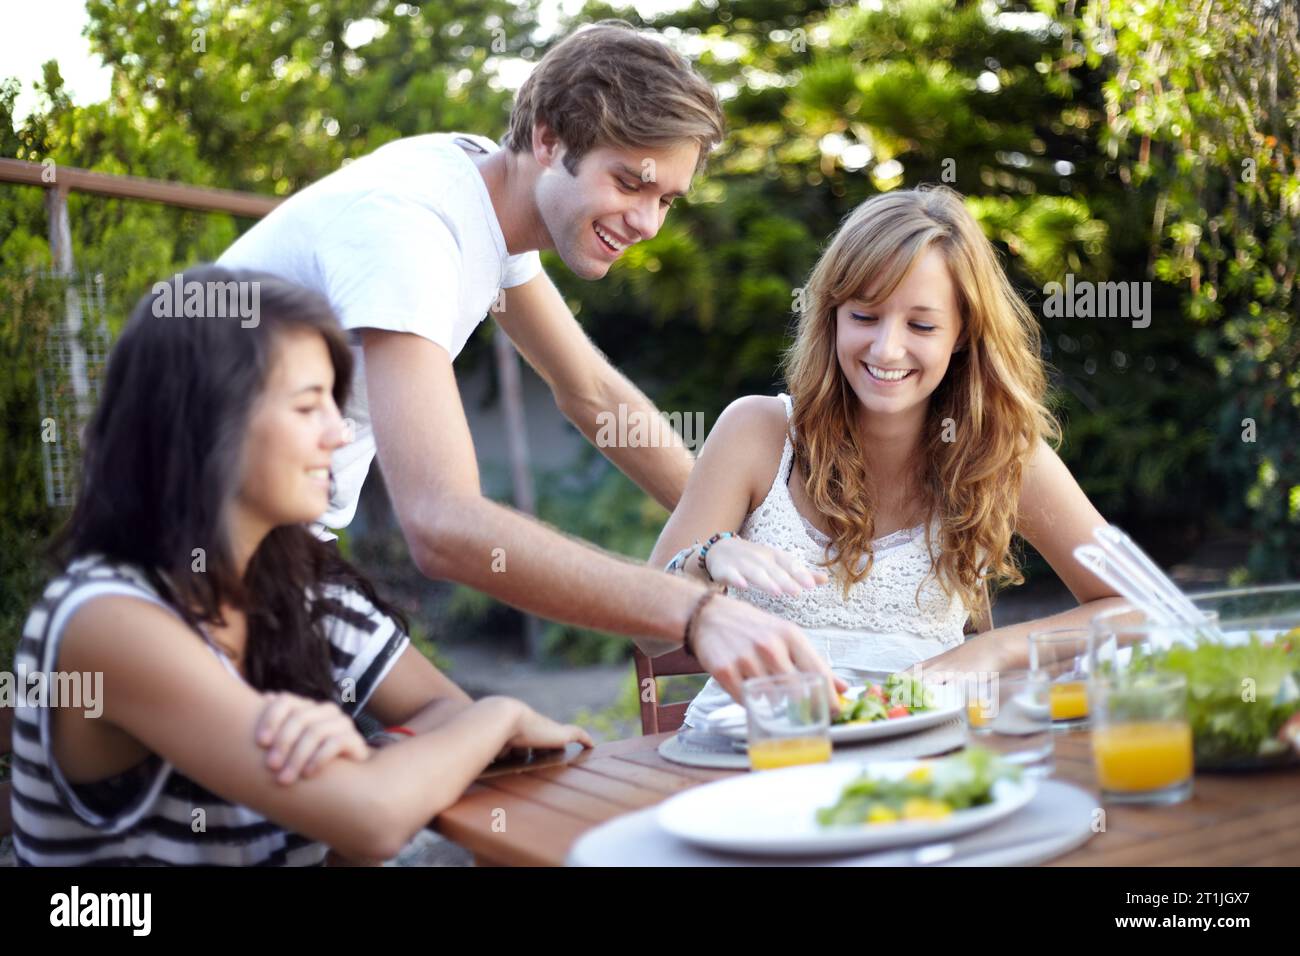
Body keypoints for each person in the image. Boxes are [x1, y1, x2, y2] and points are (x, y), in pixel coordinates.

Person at [216, 20, 839, 705]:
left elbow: (594, 395)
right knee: (466, 744)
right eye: (631, 183)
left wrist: (764, 535)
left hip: (284, 551)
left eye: (665, 199)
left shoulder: (481, 189)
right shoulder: (411, 231)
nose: (648, 223)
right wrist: (691, 610)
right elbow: (441, 523)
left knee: (475, 738)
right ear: (549, 138)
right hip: (201, 559)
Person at [9, 267, 592, 866]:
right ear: (207, 423)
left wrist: (371, 761)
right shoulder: (108, 621)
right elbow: (374, 819)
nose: (339, 434)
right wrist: (500, 714)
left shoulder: (300, 586)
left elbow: (441, 718)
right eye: (309, 406)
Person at [649, 185, 1124, 726]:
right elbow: (646, 631)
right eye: (865, 316)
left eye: (921, 325)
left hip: (916, 767)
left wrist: (993, 650)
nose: (886, 349)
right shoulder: (757, 431)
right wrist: (706, 558)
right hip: (755, 759)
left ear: (963, 332)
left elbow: (1139, 610)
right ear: (832, 314)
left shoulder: (1002, 453)